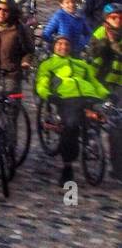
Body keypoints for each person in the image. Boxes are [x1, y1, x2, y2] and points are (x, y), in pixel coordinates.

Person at [36, 34, 110, 186]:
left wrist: (106, 94)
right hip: (66, 97)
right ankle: (67, 166)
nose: (63, 47)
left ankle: (92, 143)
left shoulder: (81, 64)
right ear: (54, 47)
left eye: (66, 44)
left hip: (88, 95)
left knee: (103, 118)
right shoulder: (48, 64)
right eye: (60, 44)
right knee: (70, 127)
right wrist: (48, 95)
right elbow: (42, 82)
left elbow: (94, 82)